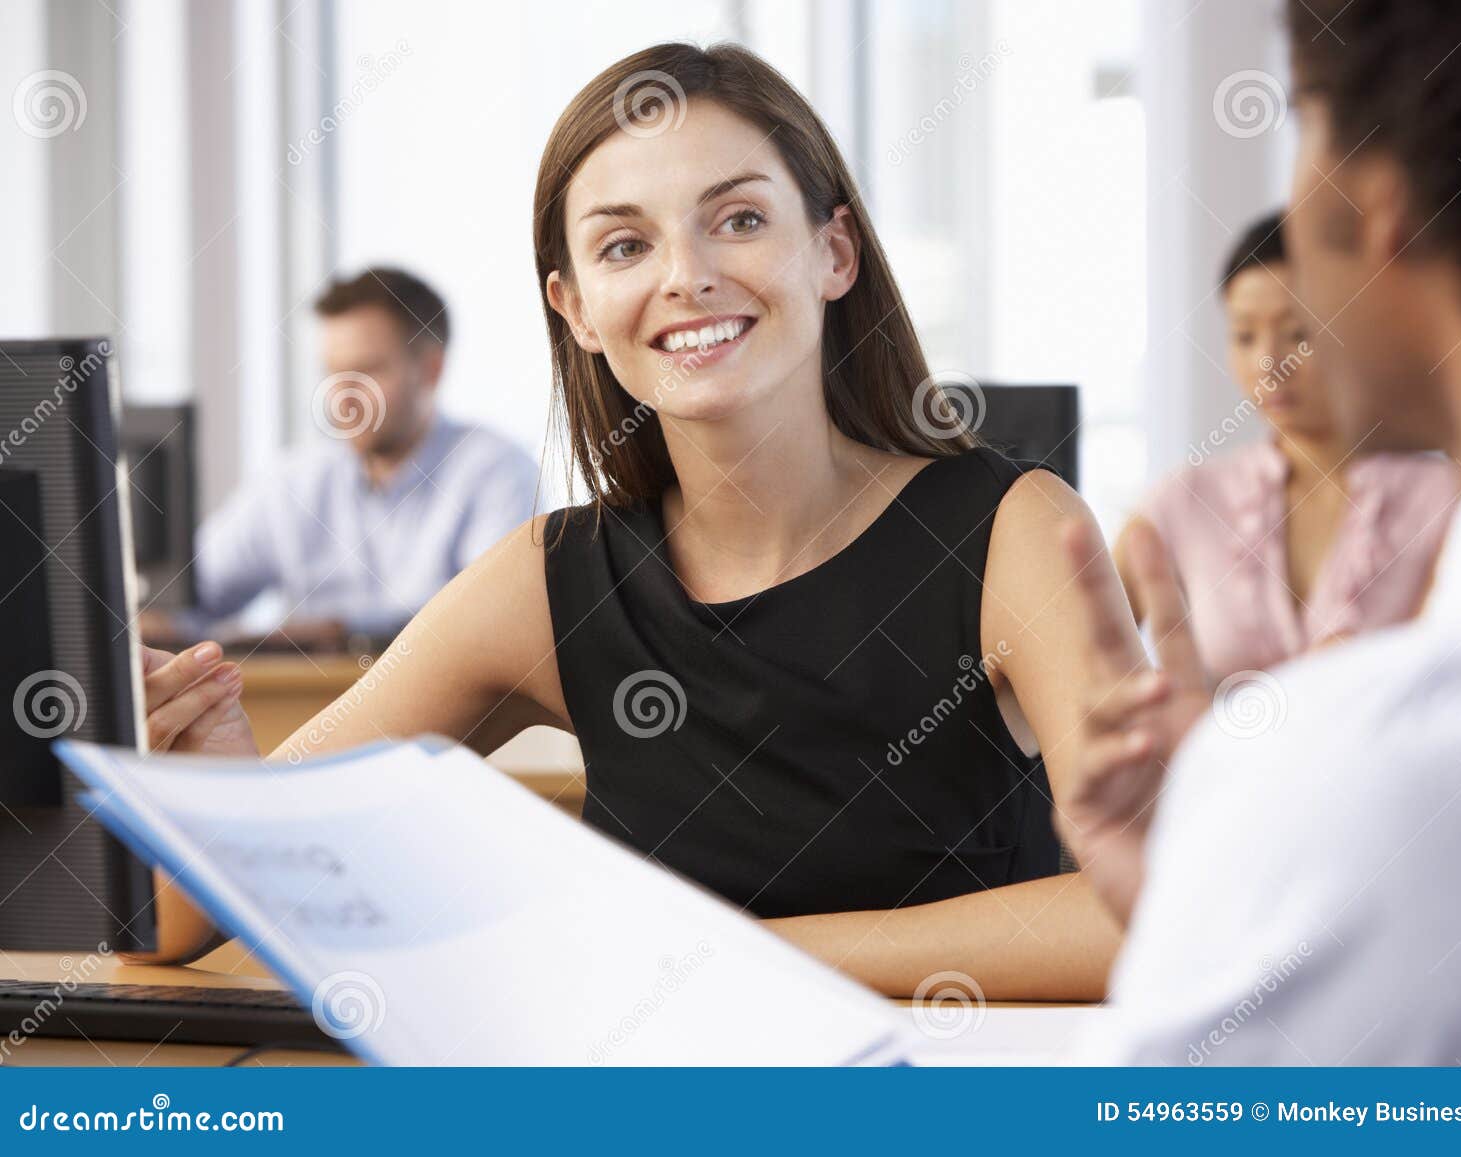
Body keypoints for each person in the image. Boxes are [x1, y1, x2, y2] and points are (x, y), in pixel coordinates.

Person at [129, 43, 1133, 999]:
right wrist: (221, 802)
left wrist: (740, 956)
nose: (683, 275)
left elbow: (1152, 910)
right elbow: (171, 921)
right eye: (624, 244)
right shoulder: (548, 578)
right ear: (575, 307)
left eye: (737, 220)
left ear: (833, 251)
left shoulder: (1013, 533)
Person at [1062, 0, 1461, 1063]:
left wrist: (1265, 850)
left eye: (1301, 126)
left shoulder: (1382, 773)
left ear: (1376, 200)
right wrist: (1209, 903)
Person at [1117, 212, 1461, 678]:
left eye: (1298, 333)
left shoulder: (1447, 496)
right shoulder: (1187, 499)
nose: (1268, 362)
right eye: (1244, 335)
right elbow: (1083, 669)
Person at [191, 267, 543, 640]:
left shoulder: (497, 472)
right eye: (334, 372)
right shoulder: (294, 482)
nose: (344, 397)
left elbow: (493, 622)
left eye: (366, 371)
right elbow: (190, 594)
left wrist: (342, 631)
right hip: (310, 699)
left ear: (430, 370)